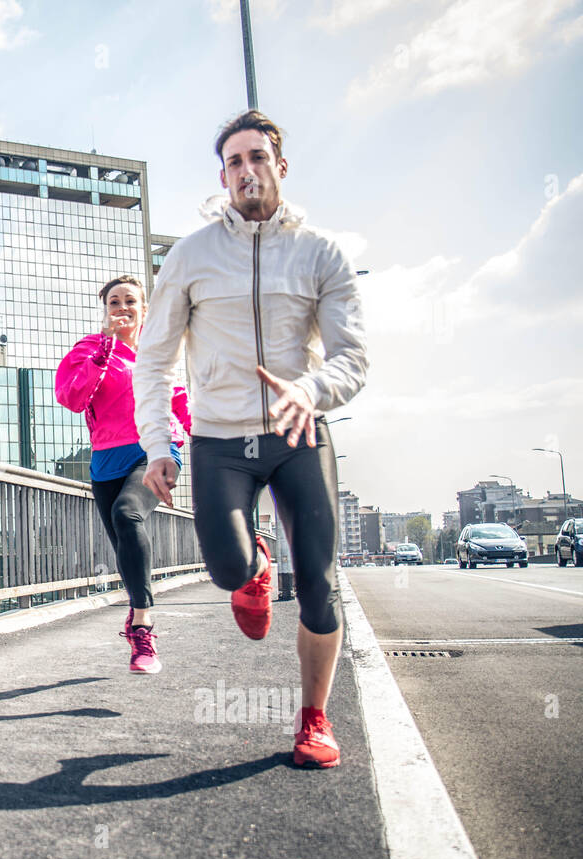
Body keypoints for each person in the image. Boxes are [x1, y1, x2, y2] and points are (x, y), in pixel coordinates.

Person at [133, 110, 368, 768]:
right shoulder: (192, 254)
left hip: (298, 431)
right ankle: (254, 567)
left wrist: (313, 392)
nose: (247, 171)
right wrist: (159, 443)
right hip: (219, 439)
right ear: (223, 175)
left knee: (320, 581)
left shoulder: (321, 252)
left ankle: (314, 718)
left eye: (258, 157)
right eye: (235, 161)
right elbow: (153, 362)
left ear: (280, 167)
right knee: (227, 568)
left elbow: (353, 356)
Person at [55, 275, 190, 674]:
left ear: (143, 309)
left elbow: (178, 399)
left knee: (128, 515)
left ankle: (143, 626)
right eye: (114, 302)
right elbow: (73, 399)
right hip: (106, 461)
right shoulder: (88, 349)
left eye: (130, 301)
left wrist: (211, 441)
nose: (122, 308)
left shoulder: (159, 352)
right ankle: (136, 613)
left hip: (155, 450)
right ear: (106, 311)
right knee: (123, 543)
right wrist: (103, 352)